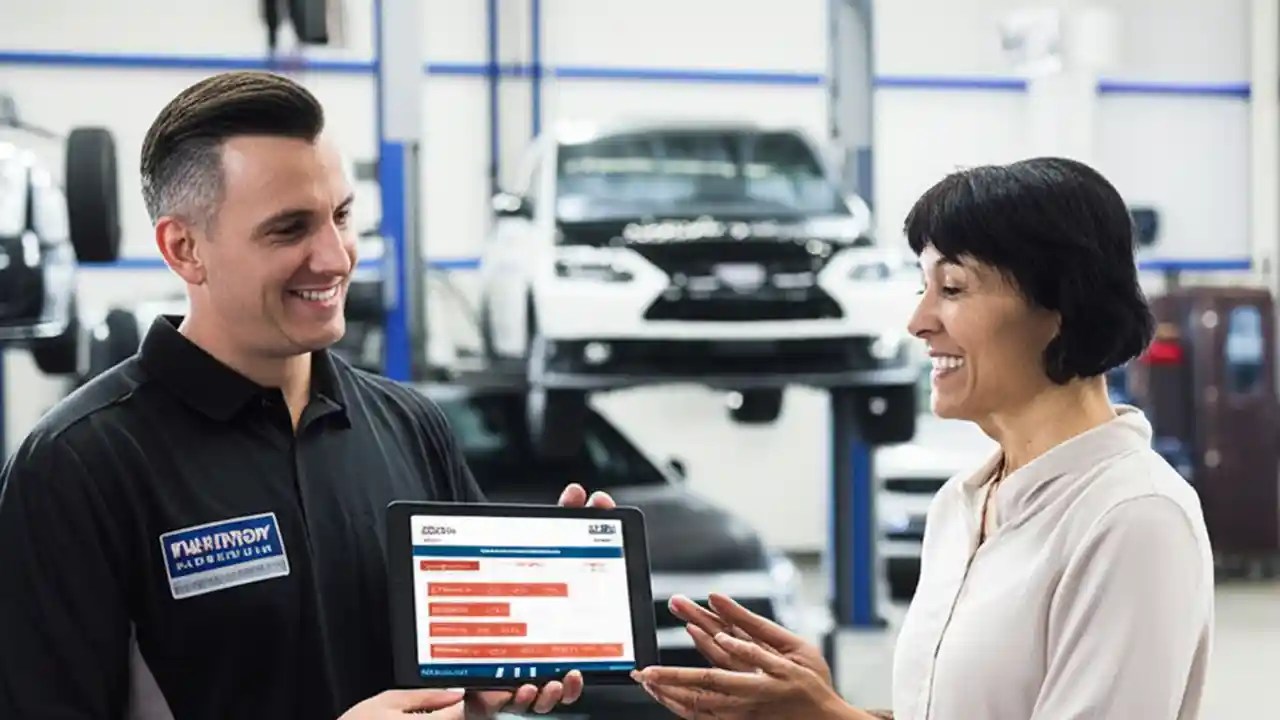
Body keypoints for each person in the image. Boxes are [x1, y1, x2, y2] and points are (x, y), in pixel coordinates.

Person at [0, 71, 614, 719]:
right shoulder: (78, 467)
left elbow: (459, 674)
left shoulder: (408, 425)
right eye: (289, 229)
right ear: (184, 250)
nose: (336, 257)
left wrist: (492, 677)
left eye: (342, 216)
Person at [631, 157, 1216, 719]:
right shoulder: (961, 505)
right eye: (923, 287)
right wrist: (810, 702)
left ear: (1059, 306)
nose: (919, 321)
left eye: (954, 289)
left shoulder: (1133, 519)